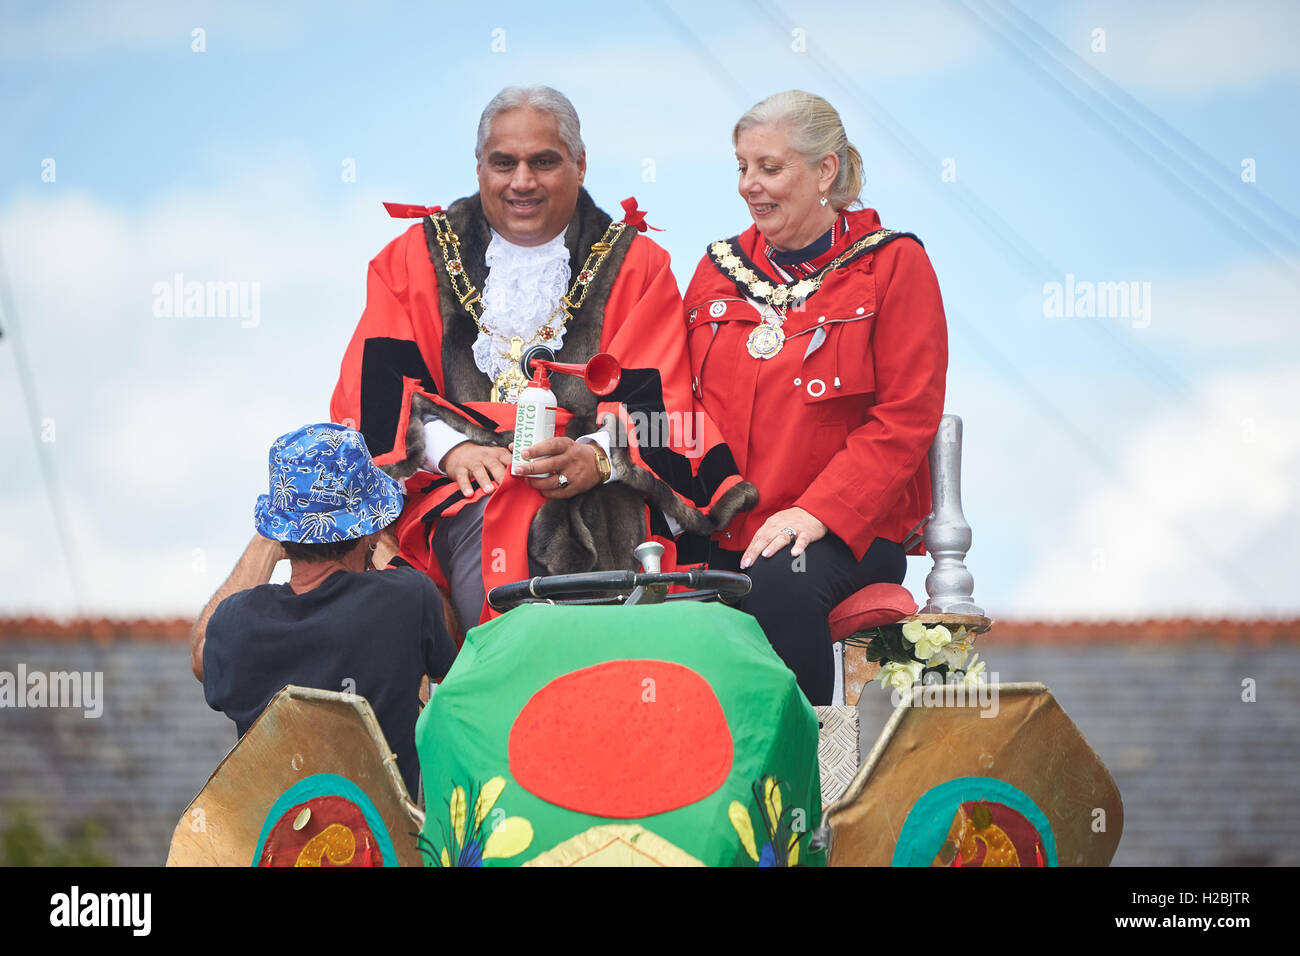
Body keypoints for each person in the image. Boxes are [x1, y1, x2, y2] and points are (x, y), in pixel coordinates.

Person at [330, 85, 754, 632]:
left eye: (544, 162)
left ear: (580, 165)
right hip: (458, 491)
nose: (522, 182)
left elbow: (662, 396)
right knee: (494, 520)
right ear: (479, 166)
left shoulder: (636, 263)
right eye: (503, 163)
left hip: (603, 488)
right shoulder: (415, 257)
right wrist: (451, 449)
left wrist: (596, 458)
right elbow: (373, 388)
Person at [682, 91, 948, 705]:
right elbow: (677, 399)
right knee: (643, 590)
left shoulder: (893, 265)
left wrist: (817, 512)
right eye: (742, 168)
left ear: (825, 170)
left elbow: (906, 417)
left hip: (839, 532)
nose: (750, 185)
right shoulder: (715, 269)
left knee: (777, 582)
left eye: (770, 168)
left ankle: (797, 782)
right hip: (724, 523)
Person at [191, 423, 457, 796]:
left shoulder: (237, 624)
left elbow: (201, 654)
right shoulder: (406, 601)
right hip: (382, 846)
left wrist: (272, 537)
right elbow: (449, 634)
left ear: (282, 533)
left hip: (278, 847)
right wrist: (376, 533)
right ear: (370, 526)